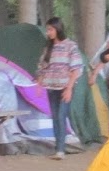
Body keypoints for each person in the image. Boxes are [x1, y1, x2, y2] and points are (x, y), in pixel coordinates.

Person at [36, 17, 84, 159]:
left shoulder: (70, 46)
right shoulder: (48, 48)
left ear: (58, 29)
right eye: (47, 29)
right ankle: (58, 148)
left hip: (64, 87)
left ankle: (61, 150)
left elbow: (76, 69)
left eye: (50, 29)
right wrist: (39, 84)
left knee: (61, 116)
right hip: (51, 87)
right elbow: (41, 68)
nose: (48, 32)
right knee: (55, 117)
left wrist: (69, 88)